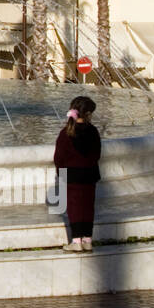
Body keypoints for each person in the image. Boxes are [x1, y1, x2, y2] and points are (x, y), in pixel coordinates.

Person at [53, 95, 101, 253]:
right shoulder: (93, 131)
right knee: (88, 207)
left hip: (72, 176)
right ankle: (88, 240)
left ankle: (76, 241)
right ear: (88, 114)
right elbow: (96, 154)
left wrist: (61, 173)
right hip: (89, 175)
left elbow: (59, 157)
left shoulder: (66, 133)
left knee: (75, 208)